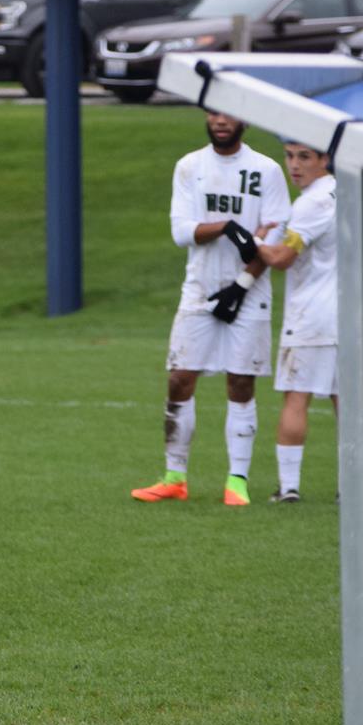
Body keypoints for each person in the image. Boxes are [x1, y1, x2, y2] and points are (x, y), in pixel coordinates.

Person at [132, 111, 291, 506]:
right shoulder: (190, 166)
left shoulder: (266, 170)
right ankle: (174, 477)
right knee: (179, 378)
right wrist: (226, 226)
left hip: (250, 292)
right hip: (199, 289)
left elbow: (274, 234)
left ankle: (236, 481)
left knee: (240, 382)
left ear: (245, 119)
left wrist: (241, 285)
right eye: (214, 113)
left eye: (229, 114)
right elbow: (182, 231)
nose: (220, 121)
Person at [259, 141, 338, 502]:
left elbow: (282, 258)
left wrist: (249, 239)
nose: (294, 165)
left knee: (296, 396)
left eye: (304, 156)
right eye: (289, 156)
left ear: (324, 159)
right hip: (349, 314)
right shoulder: (345, 191)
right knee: (347, 402)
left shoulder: (310, 203)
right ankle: (353, 487)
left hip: (312, 316)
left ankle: (288, 488)